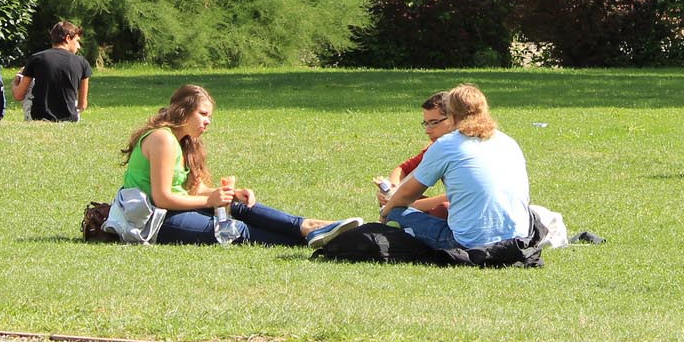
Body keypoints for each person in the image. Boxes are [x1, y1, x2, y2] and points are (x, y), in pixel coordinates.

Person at [119, 84, 359, 247]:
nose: (207, 122)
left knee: (241, 207)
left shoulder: (185, 143)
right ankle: (321, 238)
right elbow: (162, 198)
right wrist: (211, 201)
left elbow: (193, 189)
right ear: (183, 111)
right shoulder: (162, 139)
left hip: (176, 210)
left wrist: (228, 195)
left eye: (210, 116)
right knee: (234, 230)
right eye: (203, 114)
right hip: (155, 220)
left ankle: (311, 226)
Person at [381, 84, 532, 251]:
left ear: (451, 115)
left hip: (468, 243)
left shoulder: (447, 145)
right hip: (519, 239)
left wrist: (384, 214)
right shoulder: (508, 142)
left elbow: (405, 196)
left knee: (396, 214)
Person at [375, 92, 455, 220]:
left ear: (454, 119)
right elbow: (403, 168)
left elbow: (460, 197)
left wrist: (399, 204)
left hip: (473, 221)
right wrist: (392, 190)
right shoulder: (436, 147)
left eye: (434, 122)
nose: (427, 130)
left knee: (443, 209)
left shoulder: (453, 148)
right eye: (426, 123)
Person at [13, 21, 92, 122]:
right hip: (70, 118)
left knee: (30, 82)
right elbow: (83, 105)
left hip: (39, 118)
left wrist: (16, 80)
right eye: (77, 41)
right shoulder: (82, 63)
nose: (78, 46)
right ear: (68, 38)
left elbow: (19, 95)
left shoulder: (36, 59)